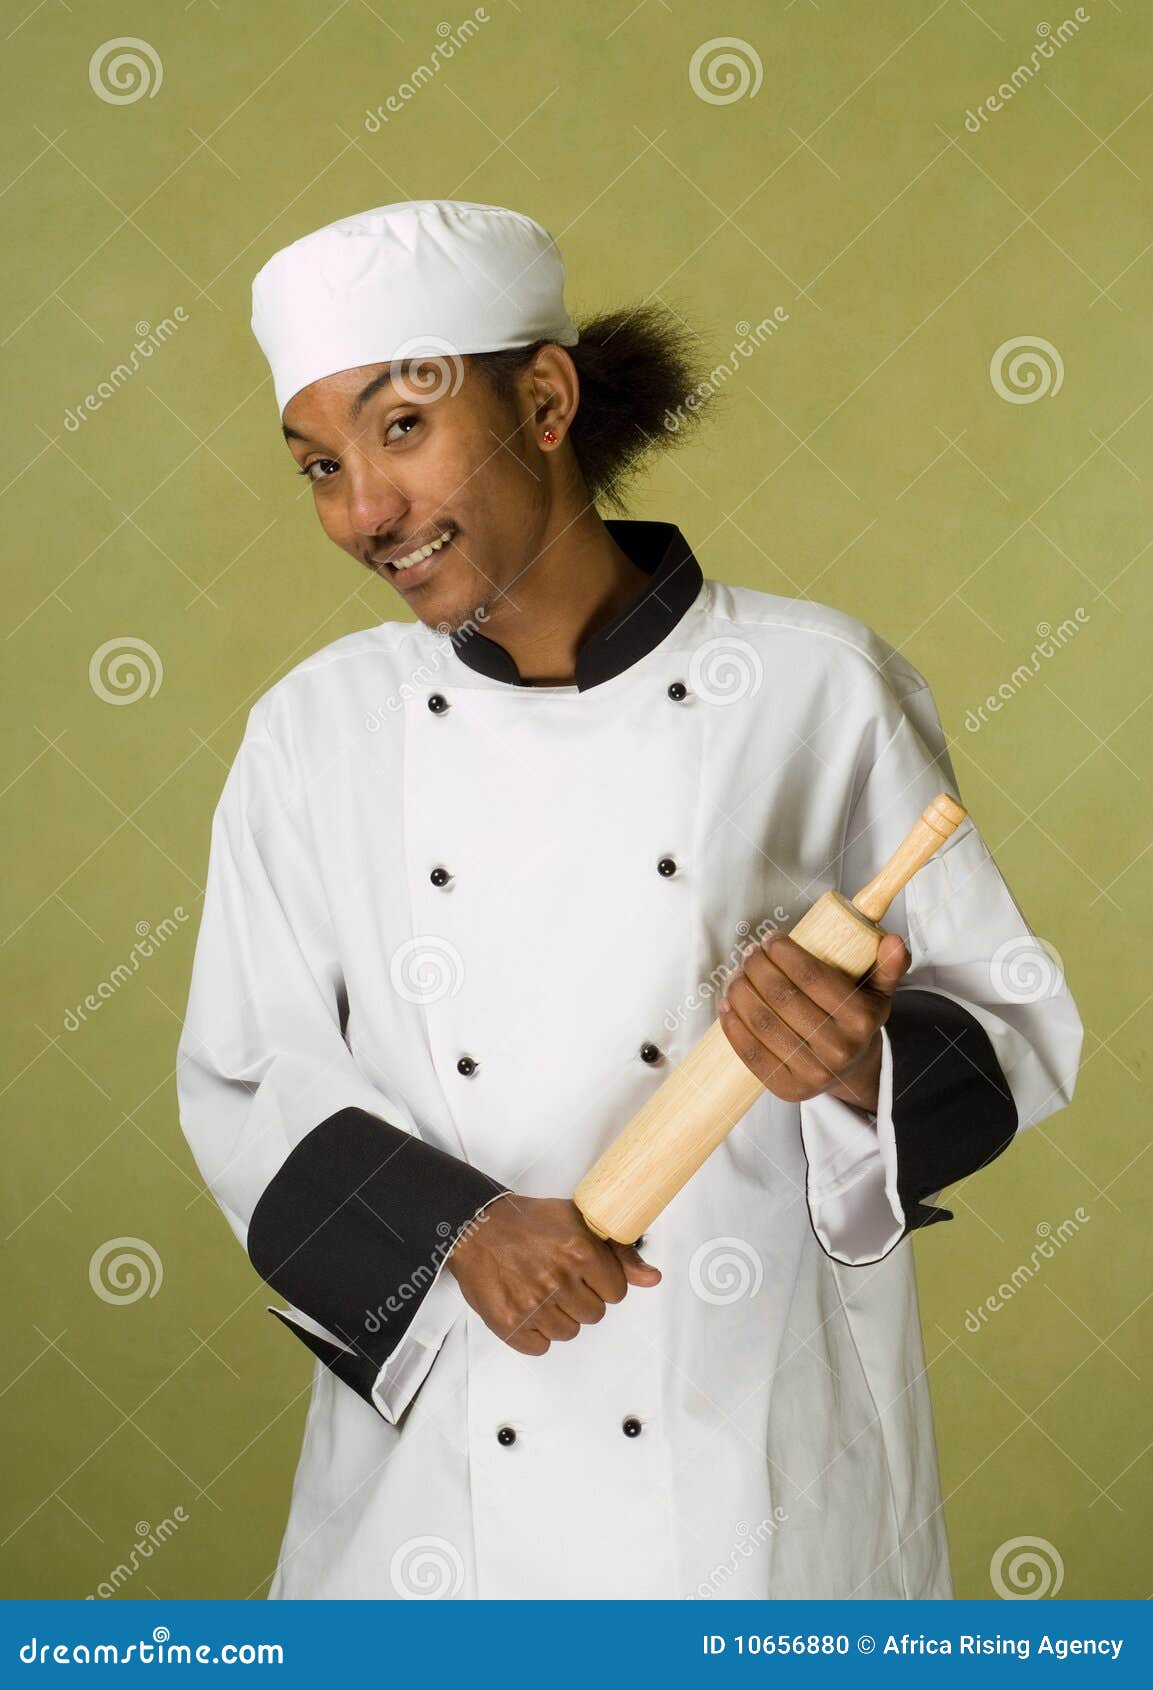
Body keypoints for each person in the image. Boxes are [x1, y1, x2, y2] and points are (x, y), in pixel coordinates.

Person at [175, 199, 1083, 1601]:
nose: (363, 513)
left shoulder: (816, 686)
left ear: (544, 401)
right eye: (321, 466)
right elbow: (247, 1067)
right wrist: (459, 1227)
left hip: (755, 1471)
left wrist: (854, 1064)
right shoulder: (315, 733)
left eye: (401, 429)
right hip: (438, 1494)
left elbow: (1007, 1016)